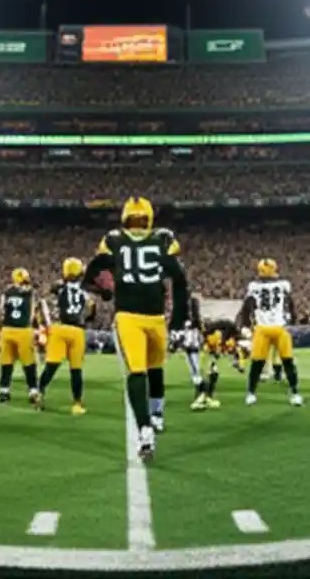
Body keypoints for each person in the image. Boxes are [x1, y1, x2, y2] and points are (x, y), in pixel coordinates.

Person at [83, 197, 190, 461]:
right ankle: (150, 422)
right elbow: (179, 279)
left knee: (143, 371)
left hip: (131, 314)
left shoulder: (113, 239)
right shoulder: (164, 239)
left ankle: (148, 424)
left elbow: (93, 273)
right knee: (150, 370)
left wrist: (104, 291)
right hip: (153, 315)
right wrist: (178, 318)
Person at [240, 258, 303, 406]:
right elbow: (291, 303)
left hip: (270, 328)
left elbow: (247, 306)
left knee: (284, 362)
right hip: (272, 328)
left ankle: (252, 392)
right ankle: (293, 393)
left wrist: (245, 323)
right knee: (262, 363)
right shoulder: (282, 285)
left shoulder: (254, 286)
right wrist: (293, 317)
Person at [37, 257, 92, 415]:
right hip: (77, 330)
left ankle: (39, 392)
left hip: (59, 328)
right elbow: (91, 309)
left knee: (52, 366)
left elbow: (47, 295)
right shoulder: (84, 289)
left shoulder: (59, 286)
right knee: (76, 370)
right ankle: (77, 403)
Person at [0, 268, 44, 405]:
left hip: (7, 329)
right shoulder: (31, 293)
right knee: (28, 363)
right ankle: (33, 390)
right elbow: (34, 311)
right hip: (23, 330)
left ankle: (4, 391)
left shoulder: (6, 292)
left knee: (6, 363)